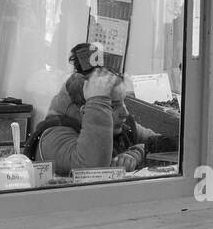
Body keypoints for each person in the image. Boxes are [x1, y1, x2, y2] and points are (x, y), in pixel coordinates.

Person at [28, 43, 178, 176]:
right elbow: (94, 170)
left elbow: (170, 145)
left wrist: (137, 152)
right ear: (86, 110)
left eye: (123, 102)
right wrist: (98, 100)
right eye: (112, 106)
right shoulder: (52, 139)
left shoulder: (124, 128)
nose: (125, 113)